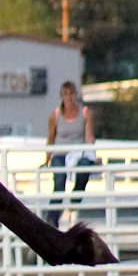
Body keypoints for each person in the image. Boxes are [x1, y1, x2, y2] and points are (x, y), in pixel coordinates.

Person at [44, 80, 96, 227]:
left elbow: (89, 136)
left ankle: (75, 200)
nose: (69, 97)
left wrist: (92, 153)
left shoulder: (85, 113)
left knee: (85, 166)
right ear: (61, 96)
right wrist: (47, 158)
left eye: (72, 93)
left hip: (79, 152)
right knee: (59, 182)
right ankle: (52, 219)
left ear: (76, 95)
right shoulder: (55, 115)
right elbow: (51, 137)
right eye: (66, 94)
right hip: (60, 153)